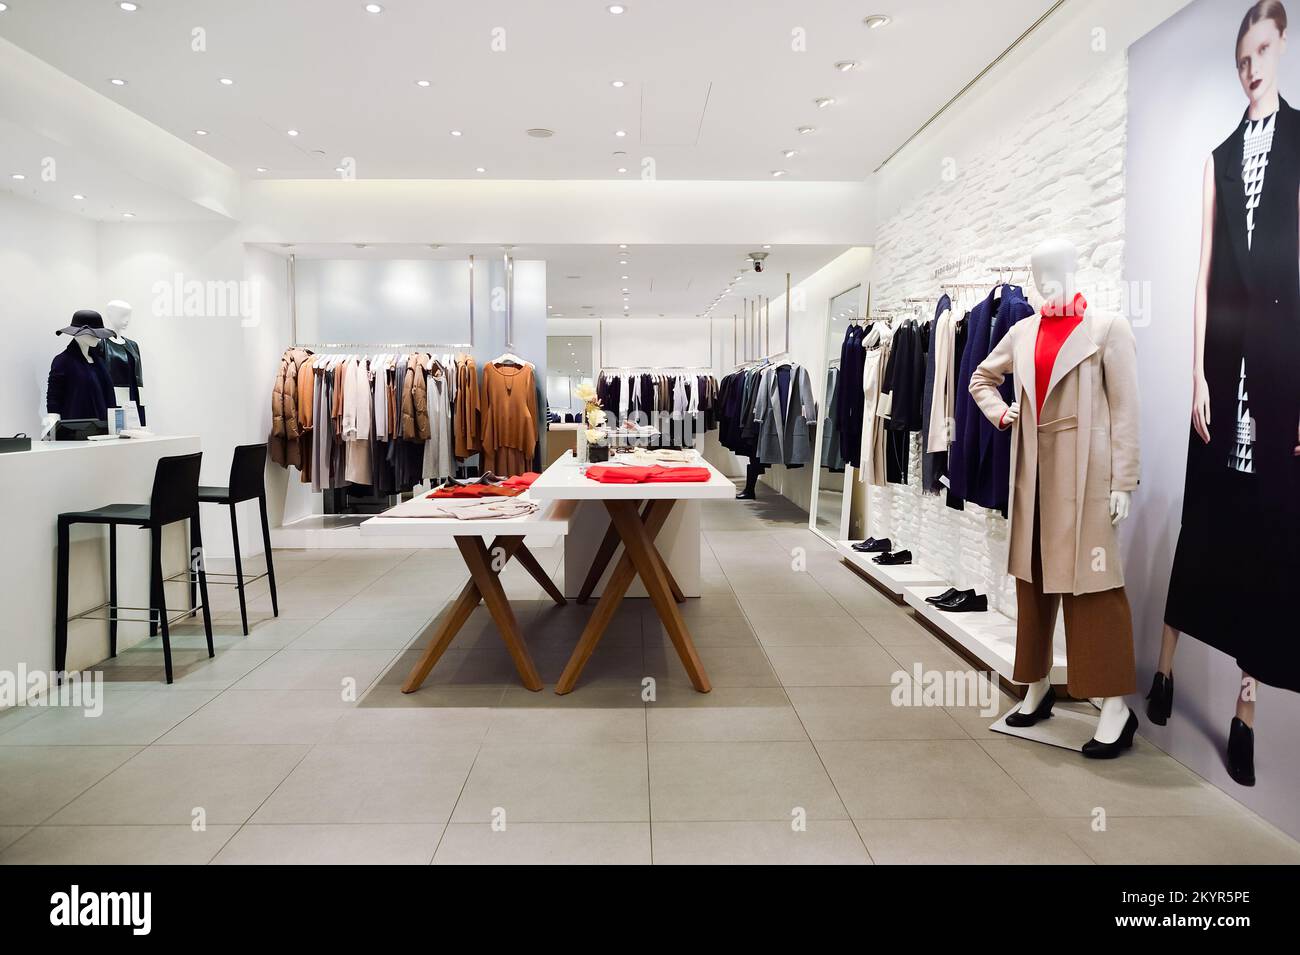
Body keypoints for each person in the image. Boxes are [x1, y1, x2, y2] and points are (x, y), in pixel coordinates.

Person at [1149, 0, 1300, 787]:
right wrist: (1199, 372)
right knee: (1203, 523)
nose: (1252, 67)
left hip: (1280, 367)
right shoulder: (1217, 154)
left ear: (1281, 48)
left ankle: (1245, 712)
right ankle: (1167, 667)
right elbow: (1203, 272)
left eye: (1263, 50)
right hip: (1224, 364)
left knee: (1267, 537)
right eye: (1243, 55)